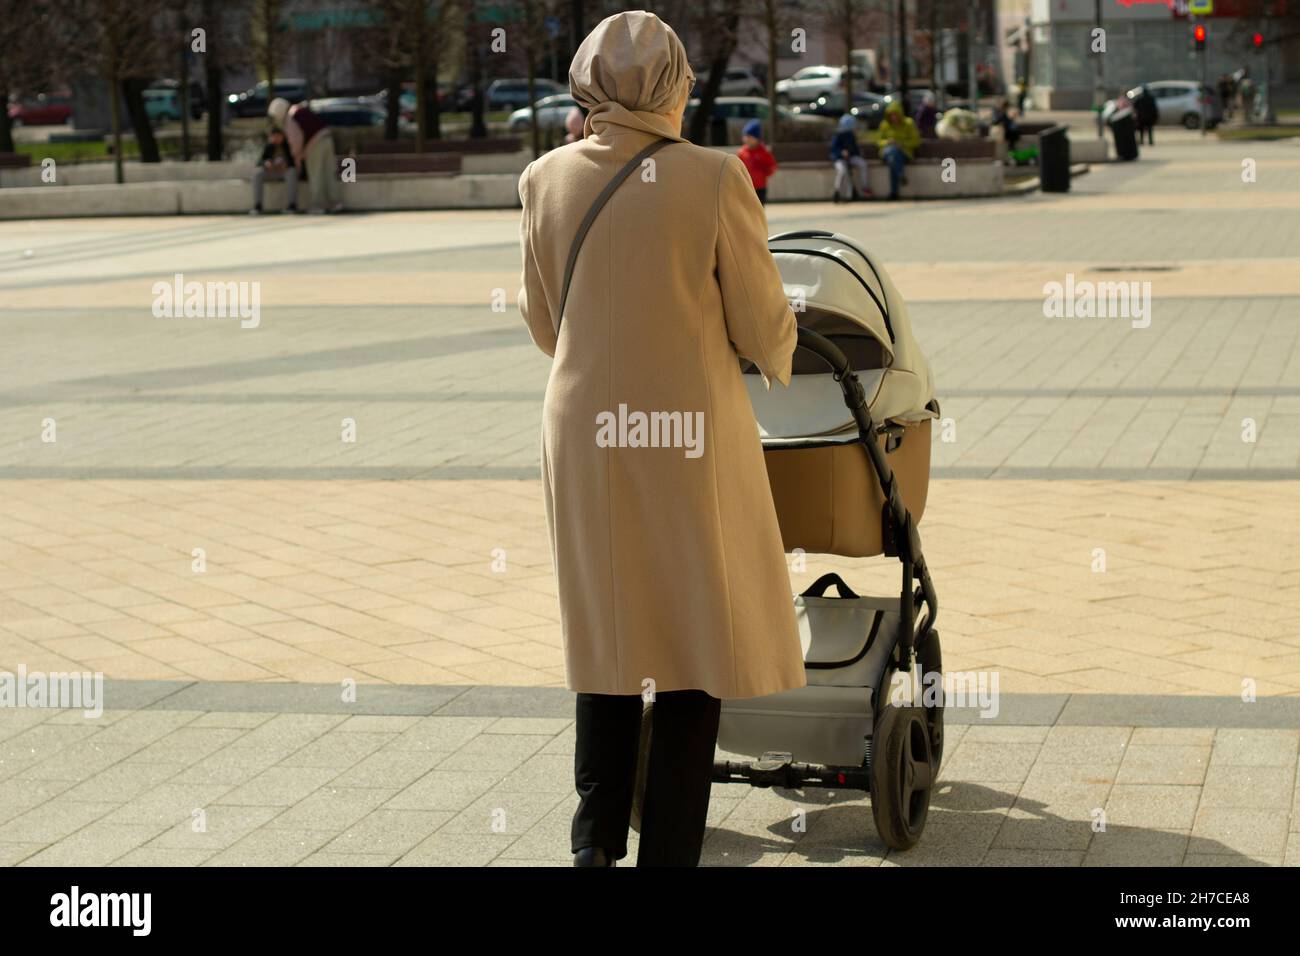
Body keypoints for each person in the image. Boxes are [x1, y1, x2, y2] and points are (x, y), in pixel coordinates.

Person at [515, 11, 804, 867]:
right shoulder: (715, 178)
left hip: (583, 427)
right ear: (677, 82)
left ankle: (594, 847)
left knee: (605, 636)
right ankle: (671, 853)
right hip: (685, 432)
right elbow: (761, 324)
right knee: (691, 637)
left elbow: (543, 322)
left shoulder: (544, 177)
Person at [267, 97, 342, 214]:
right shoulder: (298, 109)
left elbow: (296, 140)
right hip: (326, 138)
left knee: (316, 174)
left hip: (314, 144)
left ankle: (318, 205)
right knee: (328, 172)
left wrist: (297, 158)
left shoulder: (290, 117)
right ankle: (335, 203)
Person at [875, 100, 920, 201]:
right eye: (891, 115)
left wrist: (901, 144)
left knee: (893, 159)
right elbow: (878, 141)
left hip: (903, 152)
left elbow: (916, 141)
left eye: (895, 115)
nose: (893, 118)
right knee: (892, 153)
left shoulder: (909, 123)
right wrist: (887, 142)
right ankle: (900, 175)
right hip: (887, 152)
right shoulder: (884, 124)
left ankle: (893, 193)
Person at [249, 126, 299, 215]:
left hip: (284, 172)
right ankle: (258, 205)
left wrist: (286, 164)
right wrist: (266, 163)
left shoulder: (288, 145)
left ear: (282, 136)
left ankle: (292, 205)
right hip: (271, 172)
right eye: (274, 136)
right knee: (257, 174)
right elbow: (260, 161)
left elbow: (293, 162)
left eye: (278, 136)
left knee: (292, 172)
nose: (276, 138)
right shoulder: (269, 146)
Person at [829, 113, 869, 202]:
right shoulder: (837, 135)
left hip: (850, 158)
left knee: (862, 164)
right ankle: (837, 191)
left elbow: (854, 148)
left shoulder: (851, 135)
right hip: (839, 159)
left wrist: (854, 153)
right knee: (842, 171)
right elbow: (833, 149)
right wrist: (841, 152)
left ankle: (865, 186)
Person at [736, 119, 777, 204]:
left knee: (759, 210)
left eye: (750, 137)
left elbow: (772, 166)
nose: (747, 139)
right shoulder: (742, 152)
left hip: (760, 187)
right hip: (746, 186)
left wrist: (763, 172)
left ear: (757, 139)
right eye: (746, 136)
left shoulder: (763, 152)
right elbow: (737, 168)